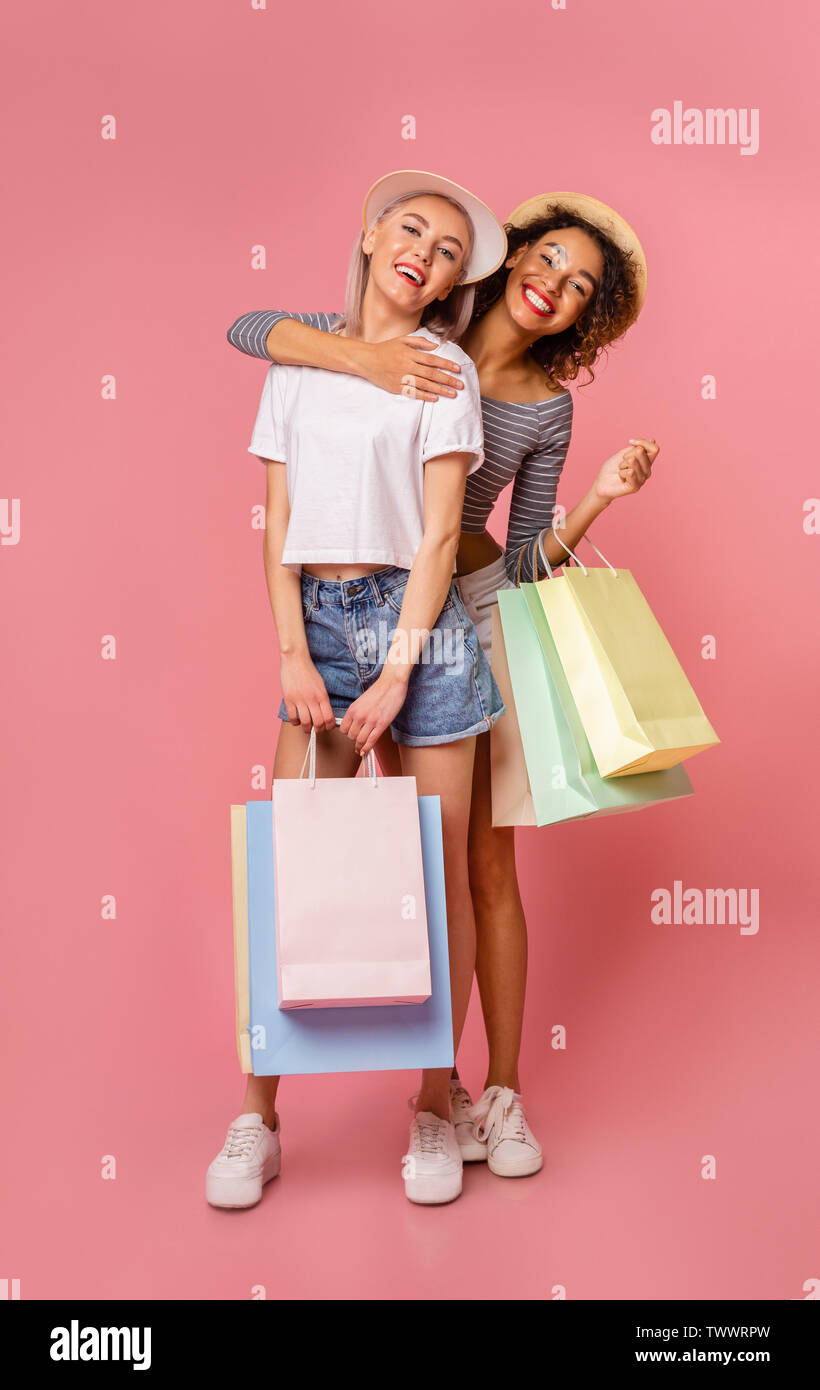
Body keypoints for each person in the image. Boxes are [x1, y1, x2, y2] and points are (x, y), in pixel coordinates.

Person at [224, 191, 659, 1179]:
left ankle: (477, 1092)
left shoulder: (539, 402)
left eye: (581, 285)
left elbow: (522, 559)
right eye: (549, 259)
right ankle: (277, 1105)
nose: (556, 285)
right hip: (350, 603)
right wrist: (361, 356)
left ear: (583, 316)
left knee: (474, 865)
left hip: (469, 607)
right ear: (508, 262)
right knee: (306, 844)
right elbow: (255, 330)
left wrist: (597, 499)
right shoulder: (425, 321)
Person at [207, 171, 508, 1210]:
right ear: (375, 237)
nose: (425, 249)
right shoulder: (296, 357)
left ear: (447, 287)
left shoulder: (443, 372)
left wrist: (395, 666)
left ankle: (435, 1099)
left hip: (418, 631)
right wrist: (294, 654)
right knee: (297, 861)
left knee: (432, 873)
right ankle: (260, 1114)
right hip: (319, 623)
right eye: (412, 227)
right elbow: (276, 527)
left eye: (448, 249)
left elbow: (435, 536)